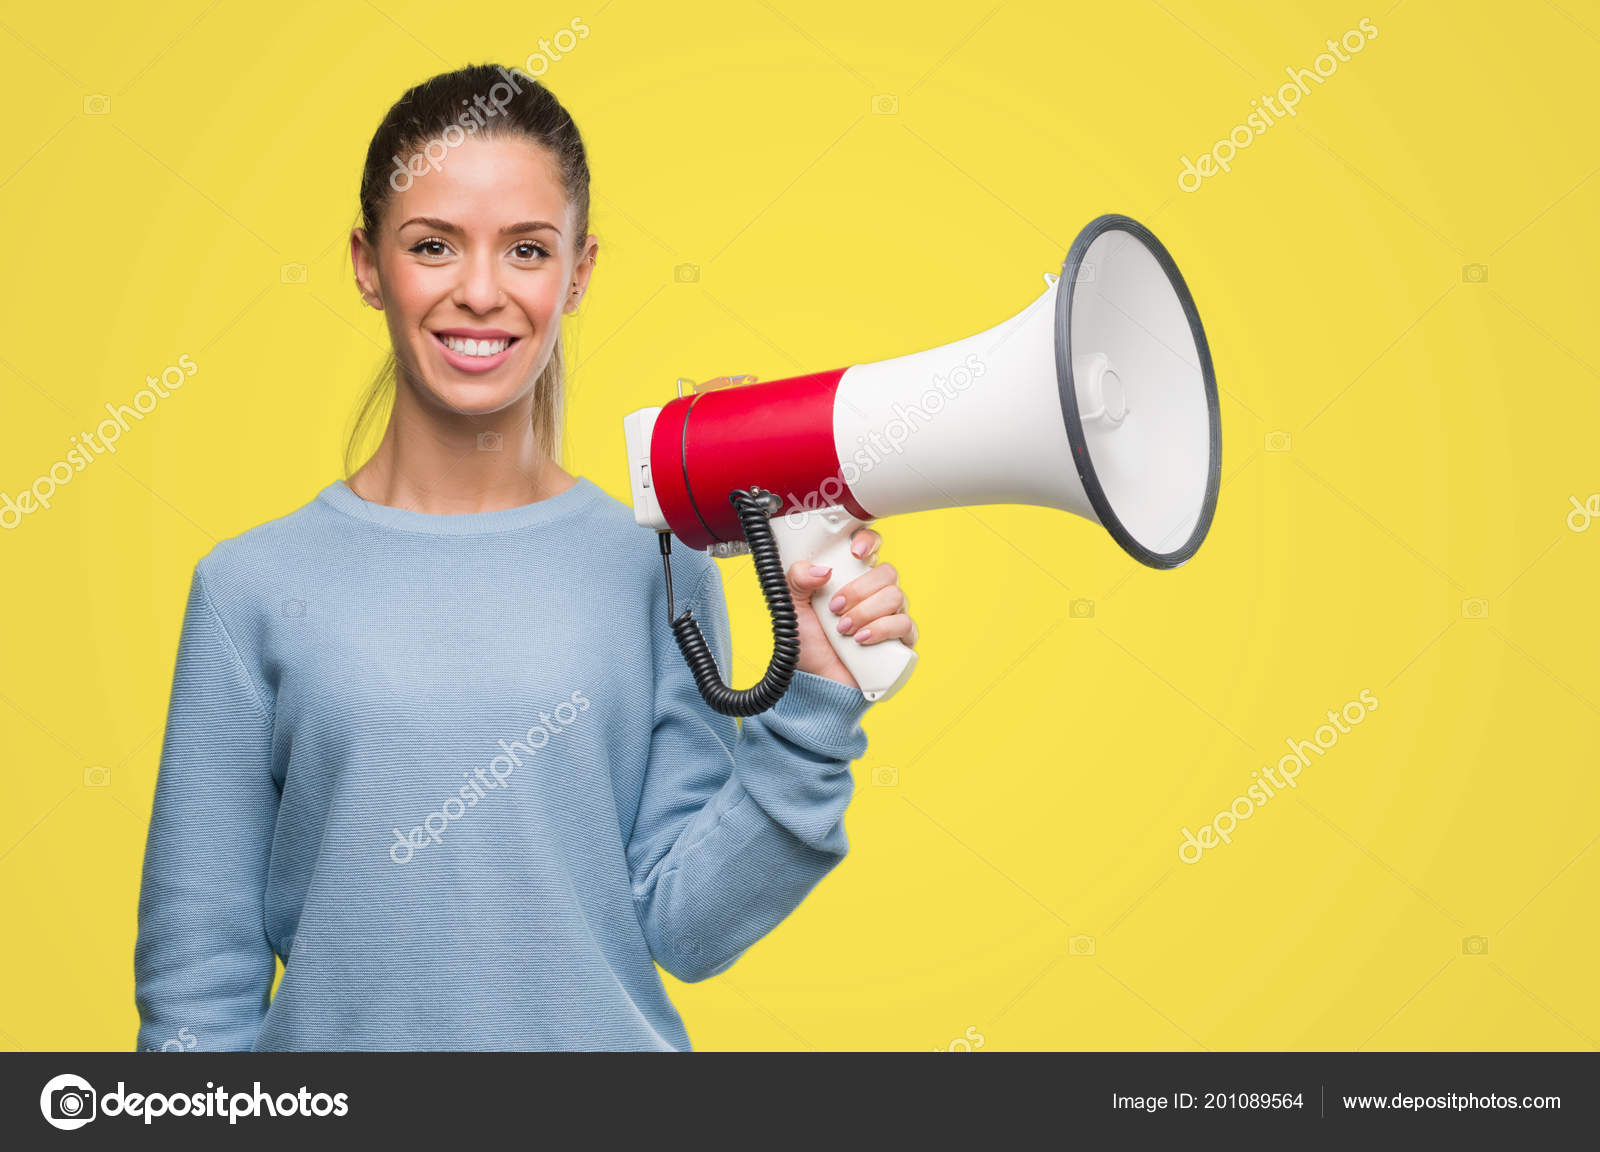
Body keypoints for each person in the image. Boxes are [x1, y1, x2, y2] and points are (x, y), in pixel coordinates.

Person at [132, 63, 917, 1052]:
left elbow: (687, 926)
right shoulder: (250, 589)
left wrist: (811, 706)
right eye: (431, 246)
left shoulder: (661, 564)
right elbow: (196, 1000)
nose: (479, 292)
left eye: (527, 250)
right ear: (367, 263)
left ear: (577, 273)